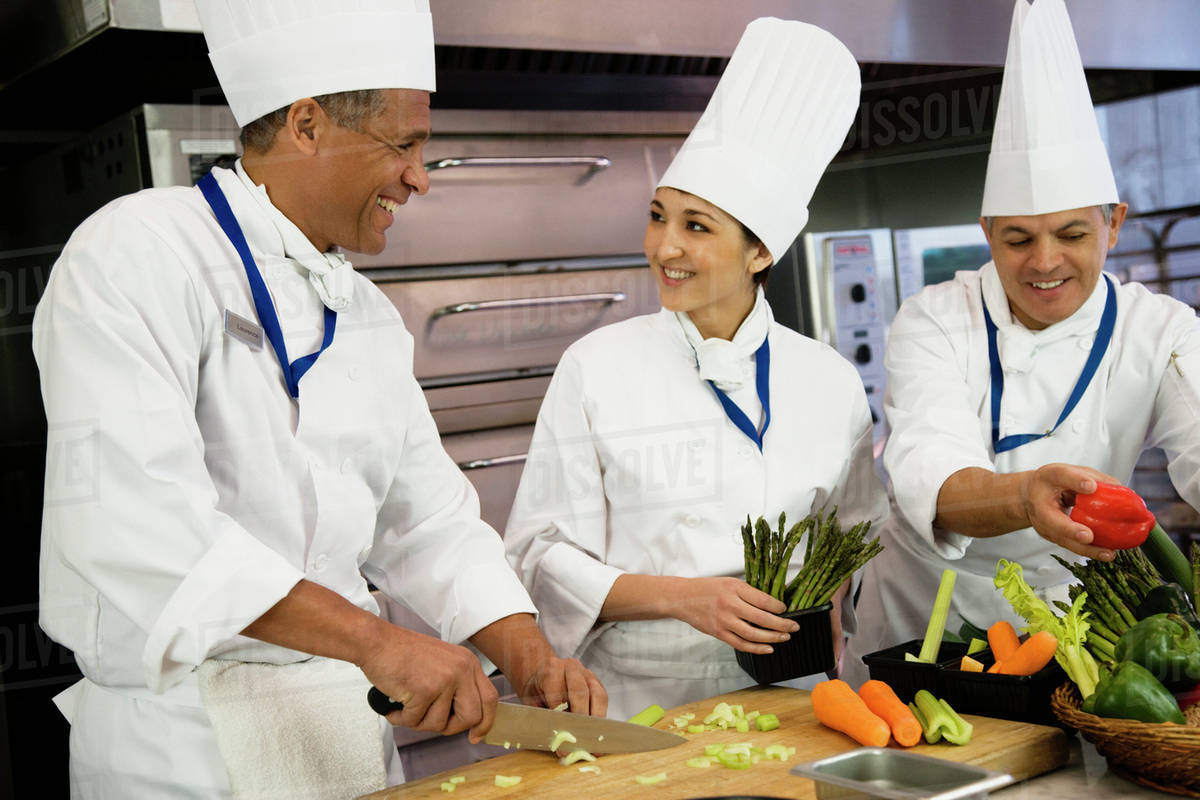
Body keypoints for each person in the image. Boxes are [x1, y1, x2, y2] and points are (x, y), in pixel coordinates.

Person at [32, 1, 604, 797]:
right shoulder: (135, 254)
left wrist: (524, 650)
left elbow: (427, 521)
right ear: (306, 126)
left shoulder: (363, 310)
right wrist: (378, 642)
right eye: (404, 145)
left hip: (342, 737)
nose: (419, 178)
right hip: (186, 752)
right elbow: (143, 529)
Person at [503, 17, 889, 721]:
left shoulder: (828, 380)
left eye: (697, 226)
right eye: (658, 216)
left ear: (760, 252)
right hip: (639, 705)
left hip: (795, 703)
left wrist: (832, 604)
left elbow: (856, 535)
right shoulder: (596, 367)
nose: (664, 247)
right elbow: (541, 552)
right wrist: (687, 599)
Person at [841, 0, 1200, 686]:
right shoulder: (934, 321)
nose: (1043, 263)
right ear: (986, 232)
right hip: (922, 642)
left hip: (1072, 646)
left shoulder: (1161, 332)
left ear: (1115, 225)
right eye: (1017, 238)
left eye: (1071, 235)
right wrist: (1027, 493)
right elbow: (931, 473)